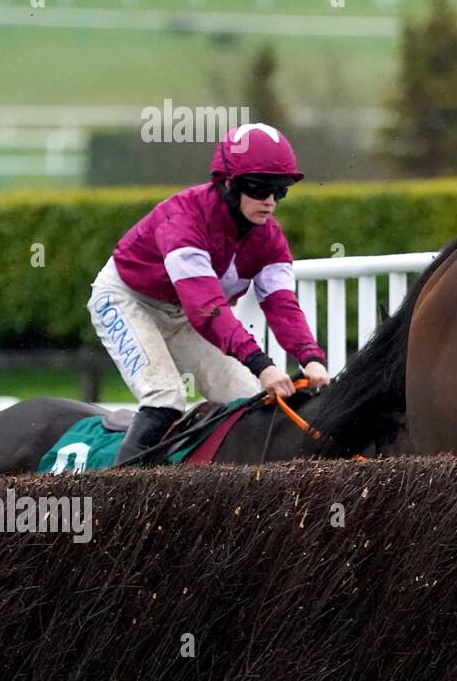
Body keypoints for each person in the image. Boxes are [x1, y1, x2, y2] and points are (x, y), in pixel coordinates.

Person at [87, 123, 331, 465]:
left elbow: (281, 305)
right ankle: (115, 498)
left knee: (251, 400)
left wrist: (312, 358)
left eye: (280, 190)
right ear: (228, 183)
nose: (271, 201)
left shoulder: (270, 239)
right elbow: (207, 308)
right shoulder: (184, 221)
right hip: (127, 300)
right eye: (260, 189)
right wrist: (262, 363)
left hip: (185, 314)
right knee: (165, 399)